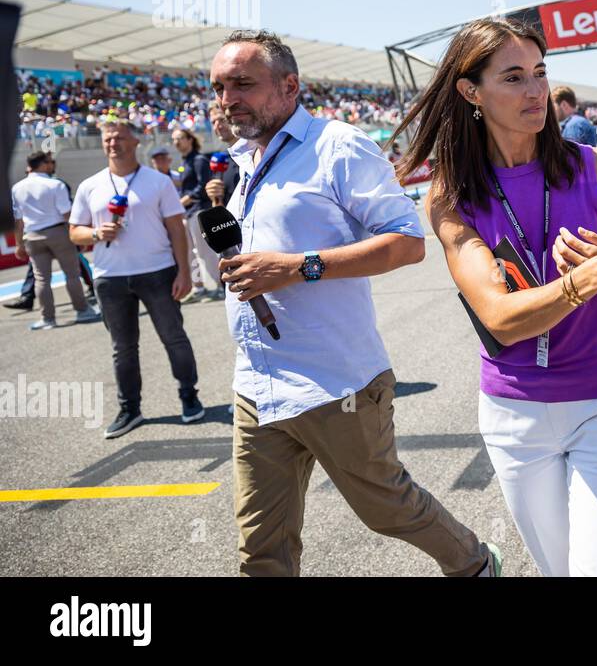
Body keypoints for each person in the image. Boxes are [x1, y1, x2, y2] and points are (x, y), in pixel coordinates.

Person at [209, 29, 500, 578]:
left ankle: (475, 562)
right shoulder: (245, 159)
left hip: (334, 381)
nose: (227, 100)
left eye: (243, 84)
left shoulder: (337, 146)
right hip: (256, 385)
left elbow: (407, 242)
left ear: (289, 85)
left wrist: (296, 267)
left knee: (387, 509)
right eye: (219, 87)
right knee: (259, 549)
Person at [395, 16, 597, 577]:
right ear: (471, 92)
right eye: (515, 77)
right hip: (515, 416)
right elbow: (500, 318)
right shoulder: (452, 195)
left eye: (541, 74)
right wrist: (589, 278)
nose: (535, 91)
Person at [68, 120, 203, 439]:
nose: (112, 143)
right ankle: (130, 408)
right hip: (110, 278)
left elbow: (176, 229)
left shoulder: (158, 182)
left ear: (135, 142)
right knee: (122, 347)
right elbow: (75, 232)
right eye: (107, 139)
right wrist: (97, 233)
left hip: (157, 272)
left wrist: (184, 271)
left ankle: (189, 396)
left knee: (174, 337)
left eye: (119, 138)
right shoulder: (91, 185)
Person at [10, 151, 100, 331]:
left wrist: (19, 244)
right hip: (57, 231)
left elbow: (18, 220)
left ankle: (47, 318)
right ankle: (82, 310)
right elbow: (67, 214)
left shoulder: (17, 188)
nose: (52, 165)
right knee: (72, 274)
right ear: (43, 164)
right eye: (50, 162)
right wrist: (76, 236)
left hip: (32, 235)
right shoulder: (55, 184)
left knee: (41, 279)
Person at [171, 126, 222, 302]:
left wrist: (185, 199)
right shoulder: (184, 162)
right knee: (190, 253)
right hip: (189, 212)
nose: (176, 142)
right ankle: (198, 287)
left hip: (200, 210)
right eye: (174, 139)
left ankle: (219, 286)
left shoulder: (199, 160)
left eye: (179, 138)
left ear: (190, 140)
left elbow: (204, 186)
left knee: (205, 251)